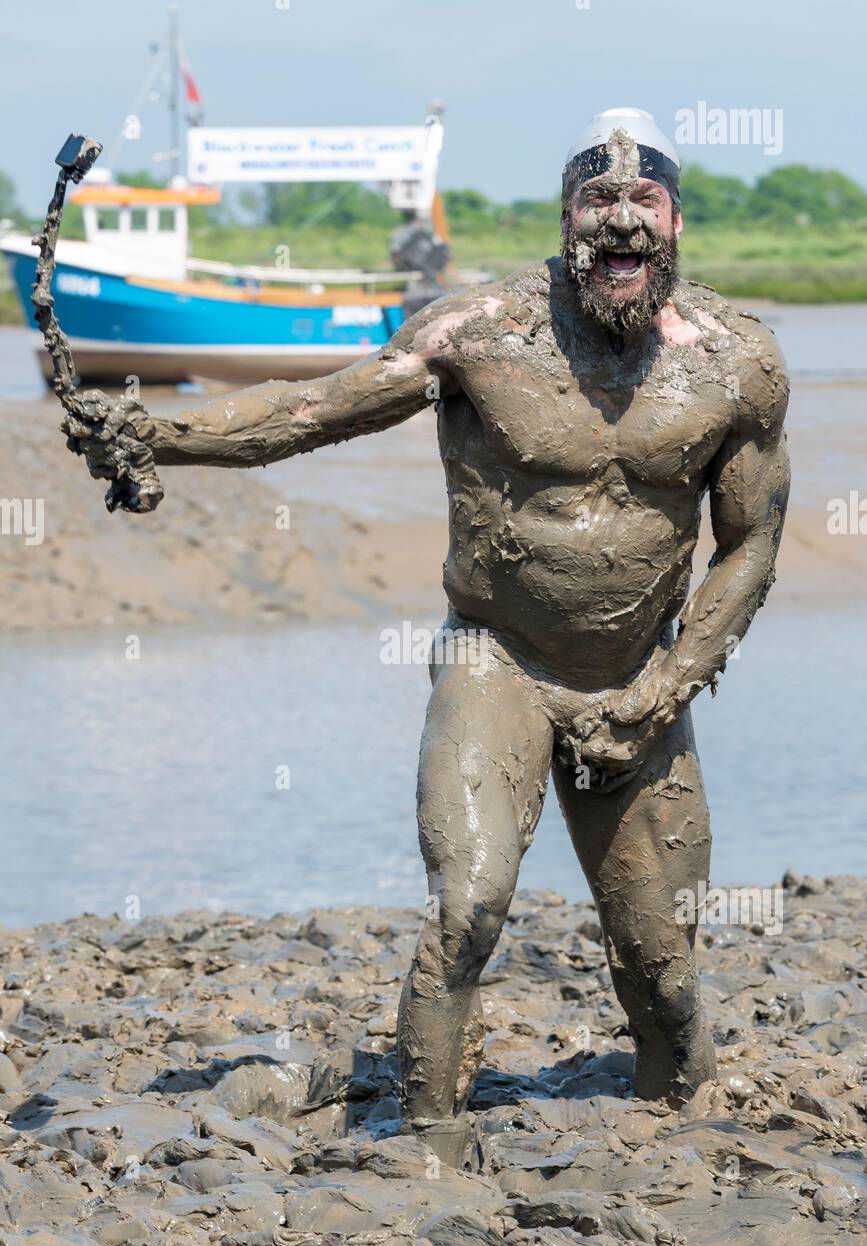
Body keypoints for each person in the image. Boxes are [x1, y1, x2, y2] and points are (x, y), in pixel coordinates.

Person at [70, 109, 790, 1167]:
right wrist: (159, 435)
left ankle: (678, 1136)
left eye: (644, 204)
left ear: (677, 223)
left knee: (666, 972)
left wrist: (666, 687)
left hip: (639, 677)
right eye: (600, 202)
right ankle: (430, 1140)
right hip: (496, 658)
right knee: (469, 904)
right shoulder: (480, 333)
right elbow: (316, 410)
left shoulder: (737, 362)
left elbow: (752, 546)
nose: (621, 224)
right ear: (566, 218)